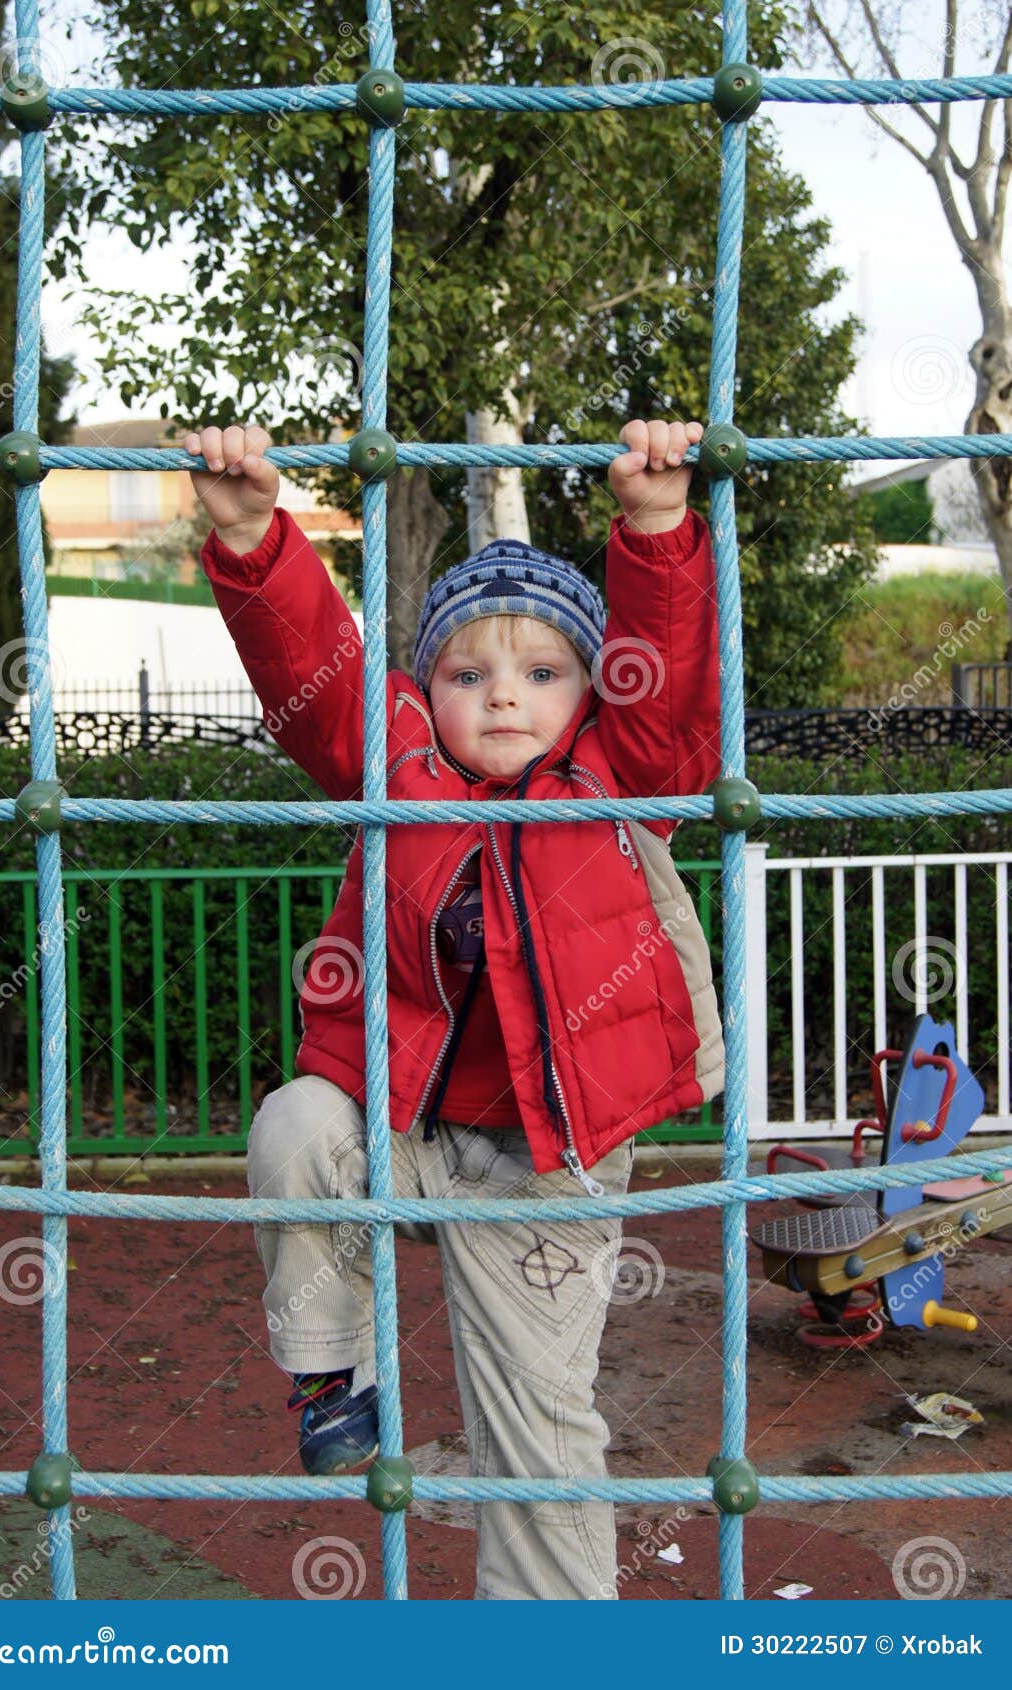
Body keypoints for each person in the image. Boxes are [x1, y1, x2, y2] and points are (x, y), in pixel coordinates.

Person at [184, 416, 724, 1600]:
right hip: (401, 1131)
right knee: (293, 1123)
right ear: (426, 688)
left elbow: (674, 690)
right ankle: (333, 1374)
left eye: (541, 673)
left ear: (590, 689)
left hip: (547, 1163)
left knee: (537, 1432)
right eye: (467, 674)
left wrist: (652, 527)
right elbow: (313, 674)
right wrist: (256, 540)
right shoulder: (397, 762)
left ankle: (544, 1640)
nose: (502, 698)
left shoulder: (616, 776)